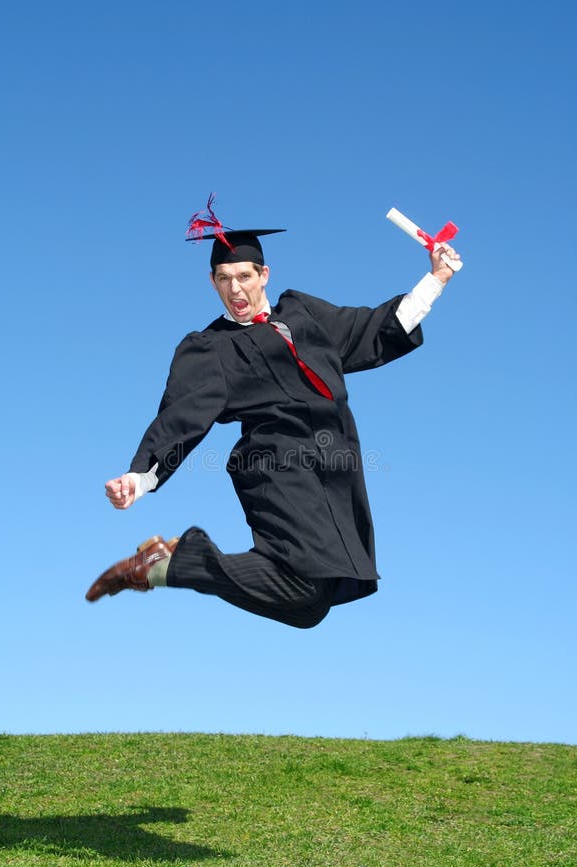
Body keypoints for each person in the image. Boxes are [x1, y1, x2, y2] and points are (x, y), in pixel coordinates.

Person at [86, 200, 462, 628]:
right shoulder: (211, 348)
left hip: (333, 470)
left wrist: (436, 279)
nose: (236, 289)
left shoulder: (303, 315)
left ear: (264, 275)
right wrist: (139, 478)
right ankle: (172, 564)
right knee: (306, 586)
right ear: (212, 283)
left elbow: (373, 327)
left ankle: (163, 565)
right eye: (224, 280)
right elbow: (180, 419)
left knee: (310, 604)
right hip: (277, 467)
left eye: (244, 276)